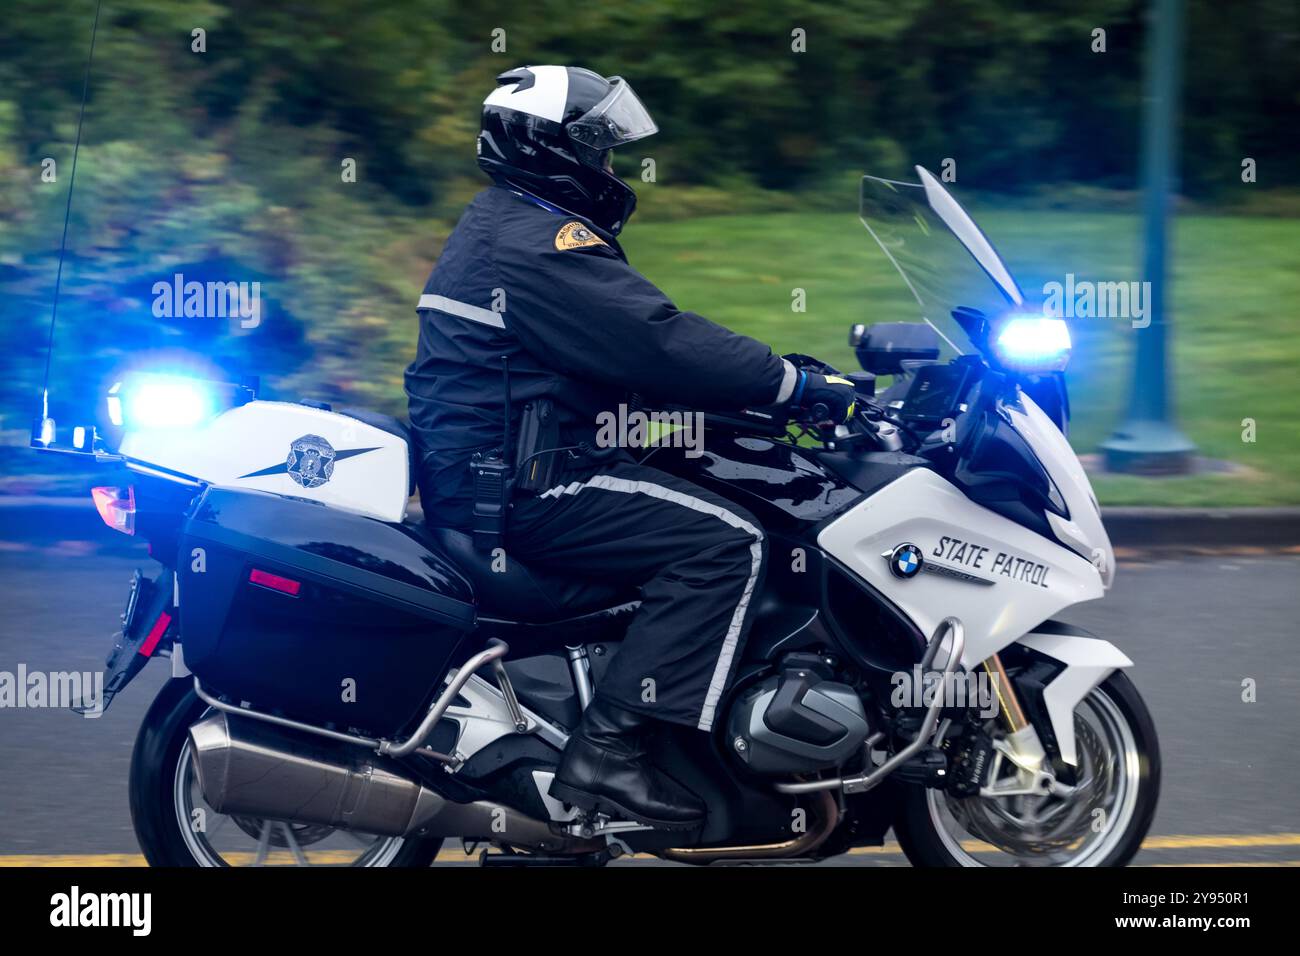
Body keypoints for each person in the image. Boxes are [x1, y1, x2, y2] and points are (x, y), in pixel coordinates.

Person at [405, 65, 855, 830]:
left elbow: (618, 355)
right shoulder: (539, 240)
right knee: (728, 544)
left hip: (502, 471)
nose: (609, 167)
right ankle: (608, 752)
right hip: (527, 487)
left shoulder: (510, 224)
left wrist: (753, 395)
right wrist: (787, 384)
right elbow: (658, 342)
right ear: (546, 146)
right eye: (598, 148)